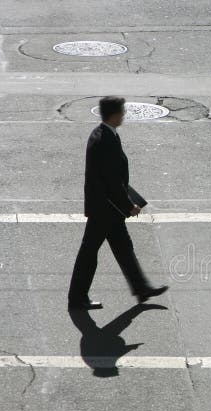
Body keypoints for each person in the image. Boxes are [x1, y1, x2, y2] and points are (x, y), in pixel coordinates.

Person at [67, 96, 168, 310]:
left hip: (105, 207)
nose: (124, 114)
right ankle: (77, 298)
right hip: (105, 209)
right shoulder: (106, 140)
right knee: (89, 253)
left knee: (123, 249)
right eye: (122, 111)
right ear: (114, 114)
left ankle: (141, 288)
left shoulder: (103, 134)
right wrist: (129, 205)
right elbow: (113, 181)